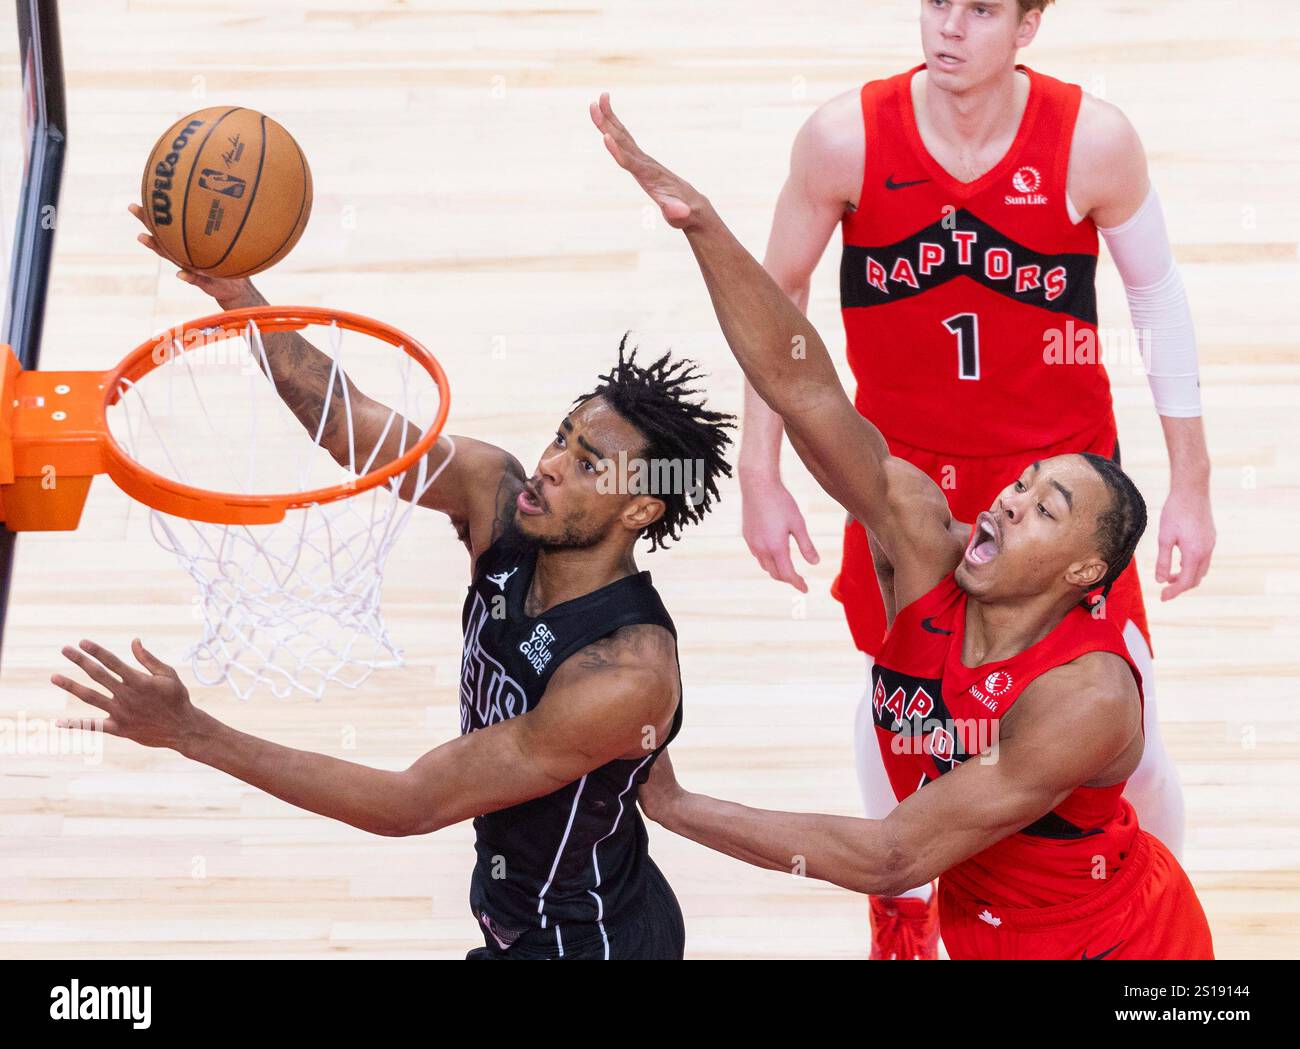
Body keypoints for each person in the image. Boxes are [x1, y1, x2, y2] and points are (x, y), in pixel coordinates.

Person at [590, 92, 1213, 959]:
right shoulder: (926, 543)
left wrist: (673, 802)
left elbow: (888, 854)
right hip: (980, 930)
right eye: (1024, 484)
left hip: (1123, 949)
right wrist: (704, 228)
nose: (1008, 499)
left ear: (1083, 576)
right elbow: (804, 384)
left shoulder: (1088, 696)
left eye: (1046, 509)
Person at [51, 209, 735, 960]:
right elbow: (348, 426)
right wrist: (242, 298)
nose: (550, 463)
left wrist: (191, 732)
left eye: (588, 464)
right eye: (561, 438)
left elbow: (409, 804)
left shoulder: (621, 674)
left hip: (585, 940)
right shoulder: (495, 496)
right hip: (524, 908)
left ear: (640, 508)